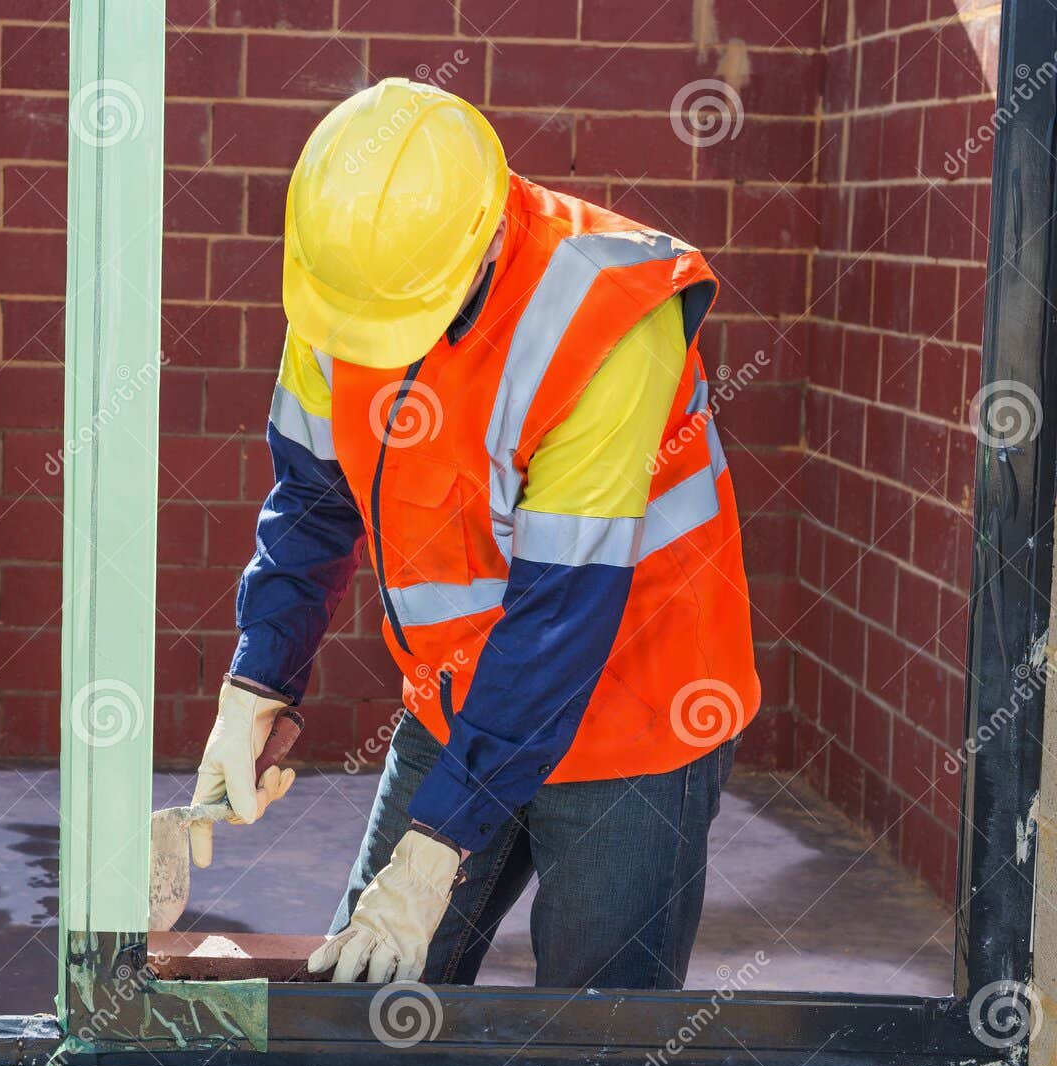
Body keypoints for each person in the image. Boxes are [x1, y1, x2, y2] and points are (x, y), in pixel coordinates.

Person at [190, 79, 759, 990]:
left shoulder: (606, 317)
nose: (370, 352)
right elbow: (311, 503)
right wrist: (261, 678)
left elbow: (561, 618)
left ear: (489, 239)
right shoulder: (343, 287)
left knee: (595, 1041)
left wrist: (436, 843)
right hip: (458, 697)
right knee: (364, 998)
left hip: (636, 711)